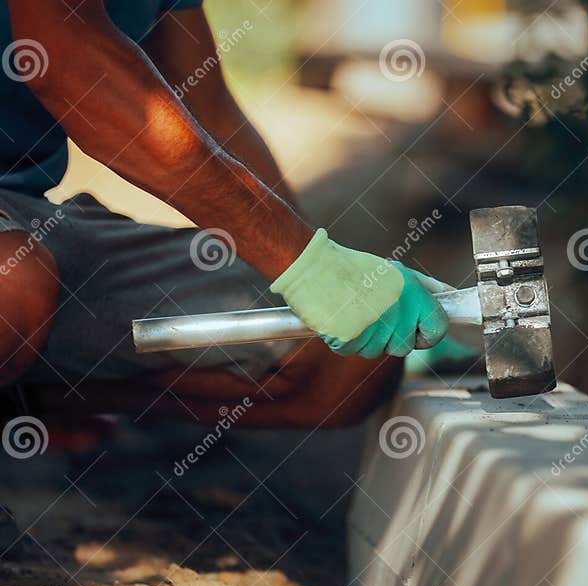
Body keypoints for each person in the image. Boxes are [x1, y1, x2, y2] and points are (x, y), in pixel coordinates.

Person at [0, 0, 449, 428]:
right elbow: (69, 63)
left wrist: (326, 278)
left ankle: (32, 402)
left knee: (344, 360)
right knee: (12, 286)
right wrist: (304, 266)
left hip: (25, 211)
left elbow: (211, 113)